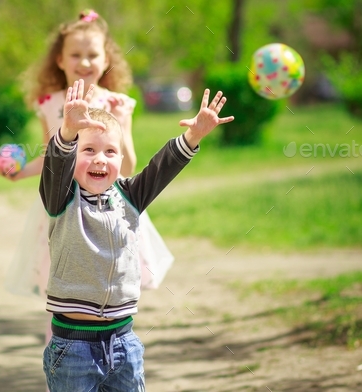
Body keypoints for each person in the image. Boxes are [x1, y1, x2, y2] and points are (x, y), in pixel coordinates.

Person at [41, 79, 233, 392]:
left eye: (110, 152)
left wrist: (194, 135)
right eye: (88, 150)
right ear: (74, 156)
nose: (101, 159)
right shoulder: (61, 197)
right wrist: (67, 133)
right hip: (72, 348)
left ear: (121, 160)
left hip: (124, 343)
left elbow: (161, 168)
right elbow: (55, 165)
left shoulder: (130, 195)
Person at [0, 9, 173, 307]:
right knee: (62, 286)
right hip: (64, 207)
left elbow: (127, 168)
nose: (84, 62)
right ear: (60, 60)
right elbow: (49, 159)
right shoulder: (50, 104)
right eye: (75, 54)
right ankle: (63, 343)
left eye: (93, 54)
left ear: (106, 60)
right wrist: (21, 171)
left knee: (114, 279)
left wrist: (122, 121)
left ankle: (112, 336)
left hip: (109, 208)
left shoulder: (117, 104)